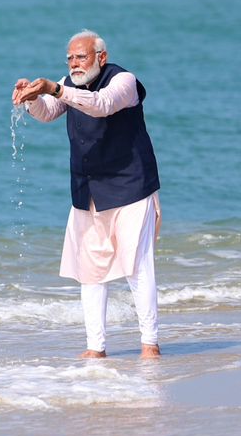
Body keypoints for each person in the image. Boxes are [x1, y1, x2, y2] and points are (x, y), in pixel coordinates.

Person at [12, 31, 162, 359]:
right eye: (69, 58)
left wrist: (55, 88)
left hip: (131, 187)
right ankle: (96, 348)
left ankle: (149, 343)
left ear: (101, 58)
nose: (74, 64)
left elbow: (101, 106)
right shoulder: (69, 83)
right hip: (88, 190)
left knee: (138, 268)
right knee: (90, 271)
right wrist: (32, 98)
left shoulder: (123, 81)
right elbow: (49, 112)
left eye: (81, 57)